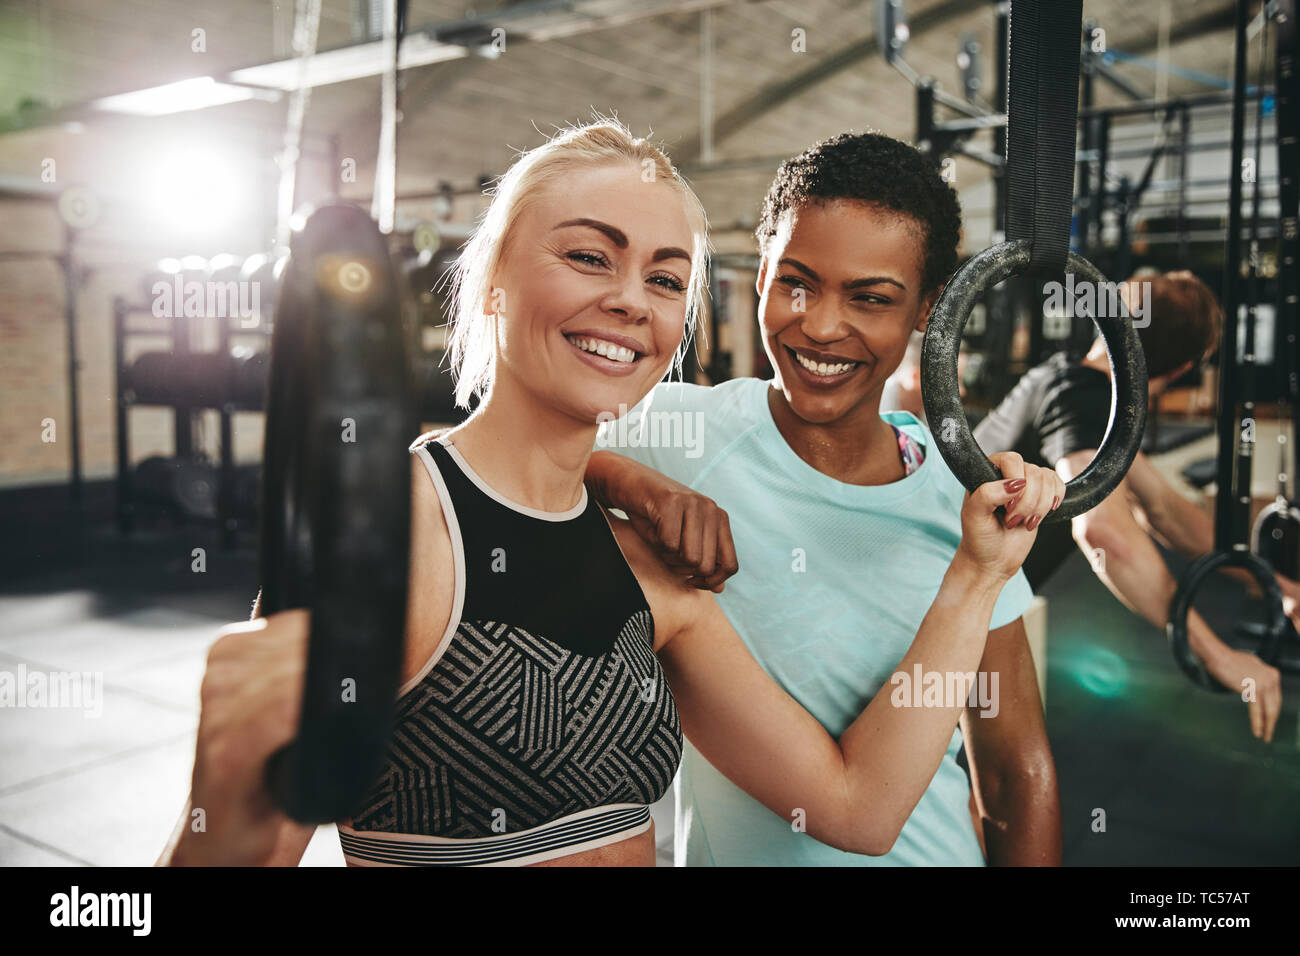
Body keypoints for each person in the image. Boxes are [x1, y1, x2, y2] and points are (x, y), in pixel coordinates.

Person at [157, 119, 1062, 867]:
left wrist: (979, 572)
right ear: (495, 276)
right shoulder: (391, 539)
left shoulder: (656, 573)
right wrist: (221, 800)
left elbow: (859, 810)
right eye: (591, 257)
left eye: (665, 279)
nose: (633, 300)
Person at [587, 131, 1062, 866]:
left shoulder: (963, 498)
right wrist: (633, 484)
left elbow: (1013, 770)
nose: (820, 325)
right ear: (760, 275)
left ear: (928, 310)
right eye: (795, 283)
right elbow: (519, 459)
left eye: (870, 298)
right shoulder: (676, 433)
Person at [973, 270, 1286, 742]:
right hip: (929, 608)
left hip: (958, 604)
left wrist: (1281, 587)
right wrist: (1219, 654)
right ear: (1182, 370)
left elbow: (1163, 509)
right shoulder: (1085, 396)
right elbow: (1102, 532)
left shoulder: (1077, 383)